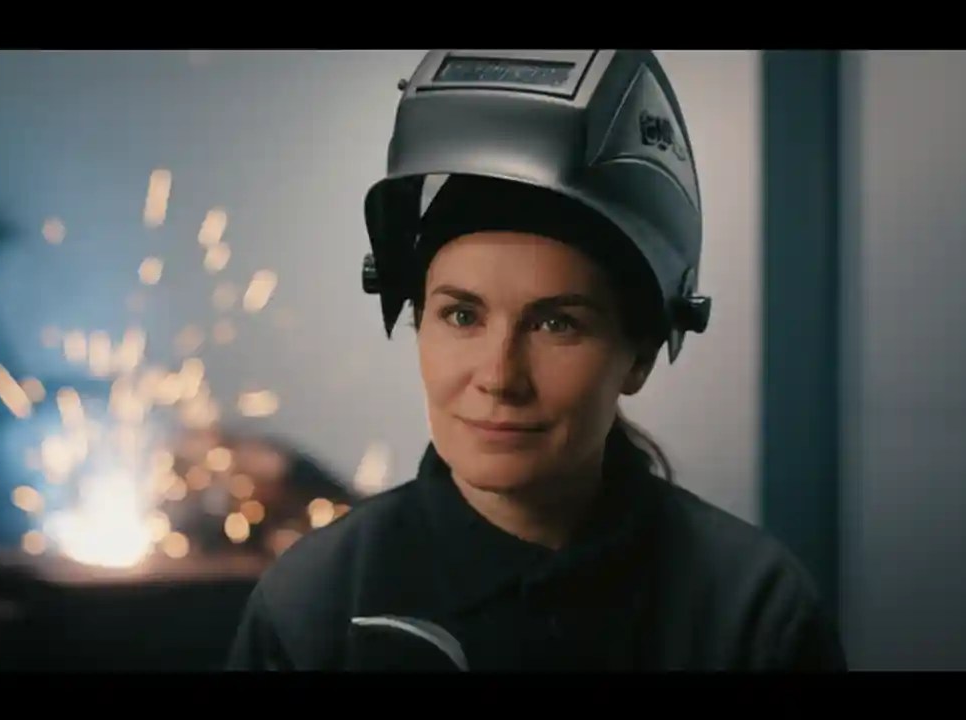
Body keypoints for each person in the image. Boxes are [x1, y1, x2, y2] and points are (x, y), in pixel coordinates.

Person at [225, 50, 847, 671]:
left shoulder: (752, 615)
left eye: (558, 323)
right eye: (461, 315)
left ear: (640, 355)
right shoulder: (317, 606)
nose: (499, 377)